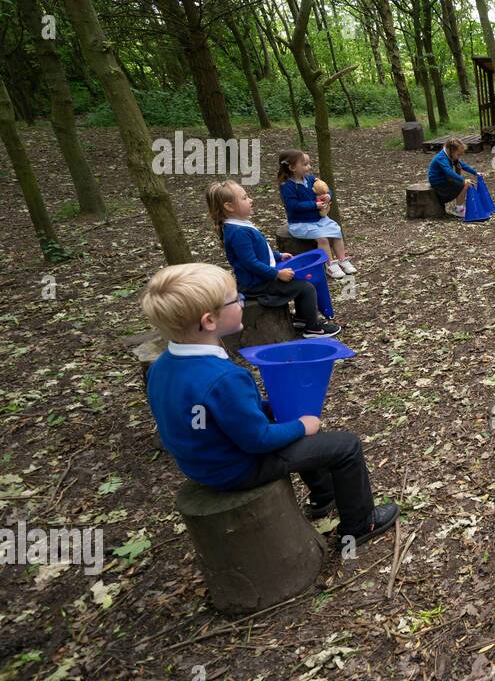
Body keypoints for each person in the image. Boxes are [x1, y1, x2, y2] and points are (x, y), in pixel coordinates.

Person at [142, 262, 398, 544]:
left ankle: (325, 499)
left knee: (299, 430)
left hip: (202, 463)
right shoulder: (223, 377)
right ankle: (361, 524)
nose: (241, 301)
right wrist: (301, 426)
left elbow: (209, 413)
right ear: (209, 321)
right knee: (345, 446)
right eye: (235, 299)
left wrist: (268, 409)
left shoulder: (162, 366)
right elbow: (258, 440)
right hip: (236, 468)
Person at [205, 179, 341, 338]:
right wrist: (277, 274)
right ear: (229, 207)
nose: (250, 200)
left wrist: (278, 256)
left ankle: (301, 318)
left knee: (299, 282)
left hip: (261, 277)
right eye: (244, 198)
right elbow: (250, 263)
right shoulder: (237, 232)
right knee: (306, 287)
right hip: (256, 284)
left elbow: (259, 252)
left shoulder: (240, 225)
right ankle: (312, 328)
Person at [279, 150, 355, 280]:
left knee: (336, 231)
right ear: (292, 168)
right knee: (322, 239)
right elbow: (293, 205)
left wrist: (327, 195)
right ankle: (330, 265)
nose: (309, 167)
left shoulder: (310, 179)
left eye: (309, 163)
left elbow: (324, 188)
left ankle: (342, 260)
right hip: (300, 223)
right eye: (304, 164)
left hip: (318, 219)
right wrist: (314, 205)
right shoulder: (287, 186)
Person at [426, 138, 478, 216]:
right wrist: (463, 180)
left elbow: (462, 165)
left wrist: (475, 173)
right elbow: (449, 172)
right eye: (458, 155)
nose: (458, 157)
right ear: (451, 151)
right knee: (464, 185)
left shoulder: (449, 155)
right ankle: (459, 210)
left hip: (444, 179)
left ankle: (459, 207)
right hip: (438, 182)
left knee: (465, 184)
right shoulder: (441, 158)